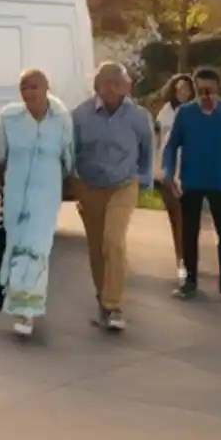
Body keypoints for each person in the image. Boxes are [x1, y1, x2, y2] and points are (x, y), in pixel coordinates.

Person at [0, 69, 74, 337]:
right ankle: (17, 302)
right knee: (16, 247)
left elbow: (68, 158)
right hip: (15, 195)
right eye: (24, 87)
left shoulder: (61, 119)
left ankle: (28, 312)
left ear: (47, 87)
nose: (29, 93)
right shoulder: (9, 118)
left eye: (34, 87)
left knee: (36, 250)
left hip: (46, 196)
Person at [69, 61, 153, 331]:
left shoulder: (139, 116)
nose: (121, 87)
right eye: (114, 82)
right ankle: (102, 300)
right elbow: (70, 152)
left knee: (113, 241)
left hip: (123, 185)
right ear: (100, 87)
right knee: (96, 248)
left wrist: (145, 178)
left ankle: (114, 306)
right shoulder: (80, 116)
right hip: (90, 186)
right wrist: (75, 183)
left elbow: (147, 148)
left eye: (123, 82)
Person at [165, 67, 221, 302]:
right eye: (200, 92)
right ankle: (190, 282)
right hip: (192, 180)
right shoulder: (185, 114)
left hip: (220, 181)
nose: (205, 97)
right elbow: (172, 146)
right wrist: (169, 174)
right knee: (189, 232)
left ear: (218, 90)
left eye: (210, 91)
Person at [154, 73, 194, 284]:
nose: (184, 93)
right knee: (175, 216)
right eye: (180, 89)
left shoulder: (193, 113)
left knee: (187, 216)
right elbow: (159, 142)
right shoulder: (165, 113)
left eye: (187, 89)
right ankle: (181, 257)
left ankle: (187, 257)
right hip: (167, 171)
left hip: (188, 170)